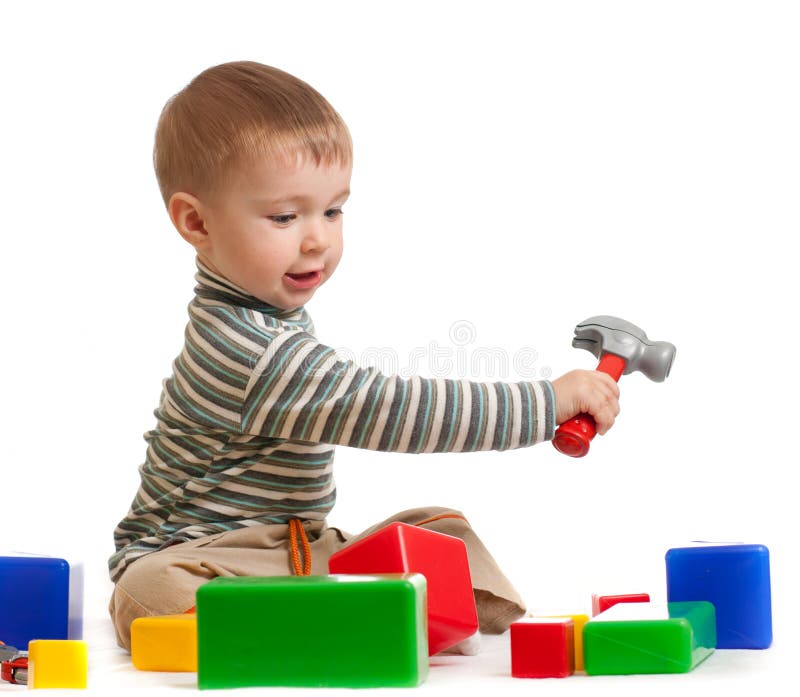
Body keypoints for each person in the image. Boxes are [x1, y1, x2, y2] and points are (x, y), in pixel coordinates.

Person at [108, 61, 620, 652]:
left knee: (442, 532)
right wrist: (545, 403)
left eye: (332, 210)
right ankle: (342, 625)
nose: (318, 239)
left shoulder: (273, 319)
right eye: (284, 216)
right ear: (196, 221)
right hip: (204, 558)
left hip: (298, 548)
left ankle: (342, 615)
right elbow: (391, 408)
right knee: (151, 590)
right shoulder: (240, 348)